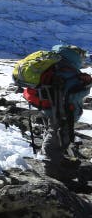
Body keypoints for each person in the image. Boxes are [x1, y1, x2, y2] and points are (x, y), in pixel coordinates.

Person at [19, 44, 92, 180]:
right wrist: (87, 85)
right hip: (61, 109)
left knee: (53, 130)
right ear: (74, 55)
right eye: (81, 56)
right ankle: (51, 166)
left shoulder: (56, 66)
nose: (83, 59)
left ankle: (57, 158)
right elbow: (72, 95)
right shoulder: (68, 71)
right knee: (59, 134)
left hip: (49, 107)